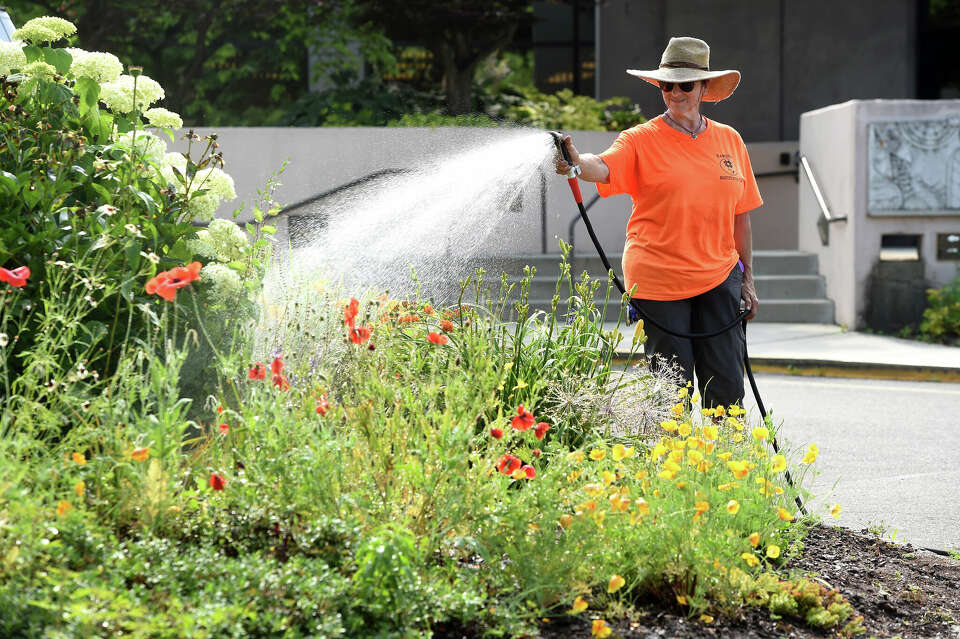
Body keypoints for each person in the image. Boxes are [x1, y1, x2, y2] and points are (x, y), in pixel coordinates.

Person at [555, 36, 763, 409]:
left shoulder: (730, 140)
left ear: (703, 87)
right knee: (671, 392)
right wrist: (575, 162)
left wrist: (747, 280)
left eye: (685, 84)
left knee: (728, 389)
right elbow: (602, 166)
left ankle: (725, 463)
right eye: (667, 84)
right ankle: (673, 463)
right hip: (659, 278)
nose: (675, 92)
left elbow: (741, 216)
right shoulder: (640, 139)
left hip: (719, 274)